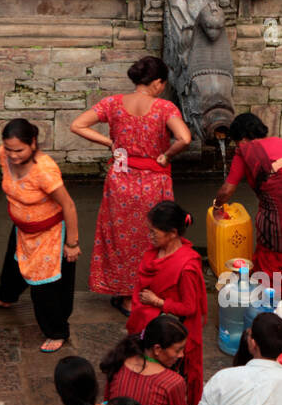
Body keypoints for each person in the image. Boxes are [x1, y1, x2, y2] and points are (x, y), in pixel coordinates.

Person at [71, 56, 192, 312]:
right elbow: (184, 138)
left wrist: (110, 144)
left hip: (121, 182)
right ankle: (151, 292)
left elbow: (77, 125)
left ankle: (126, 295)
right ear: (158, 83)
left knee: (122, 240)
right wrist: (167, 154)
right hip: (154, 183)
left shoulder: (113, 103)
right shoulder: (164, 108)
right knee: (153, 237)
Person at [0, 118, 81, 352]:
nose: (12, 155)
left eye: (19, 150)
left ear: (33, 143)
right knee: (13, 266)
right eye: (9, 149)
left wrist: (72, 244)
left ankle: (57, 331)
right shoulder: (5, 154)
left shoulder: (44, 170)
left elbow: (69, 206)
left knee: (44, 288)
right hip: (23, 228)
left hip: (49, 234)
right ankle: (5, 297)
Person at [212, 112, 282, 302]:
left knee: (270, 237)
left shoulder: (244, 149)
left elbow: (227, 189)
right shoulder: (281, 142)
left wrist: (217, 205)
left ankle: (271, 296)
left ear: (241, 138)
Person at [126, 201, 206, 405]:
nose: (150, 236)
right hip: (149, 328)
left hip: (168, 335)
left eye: (154, 232)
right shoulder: (154, 254)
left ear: (171, 233)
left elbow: (190, 308)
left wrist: (157, 302)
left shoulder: (187, 266)